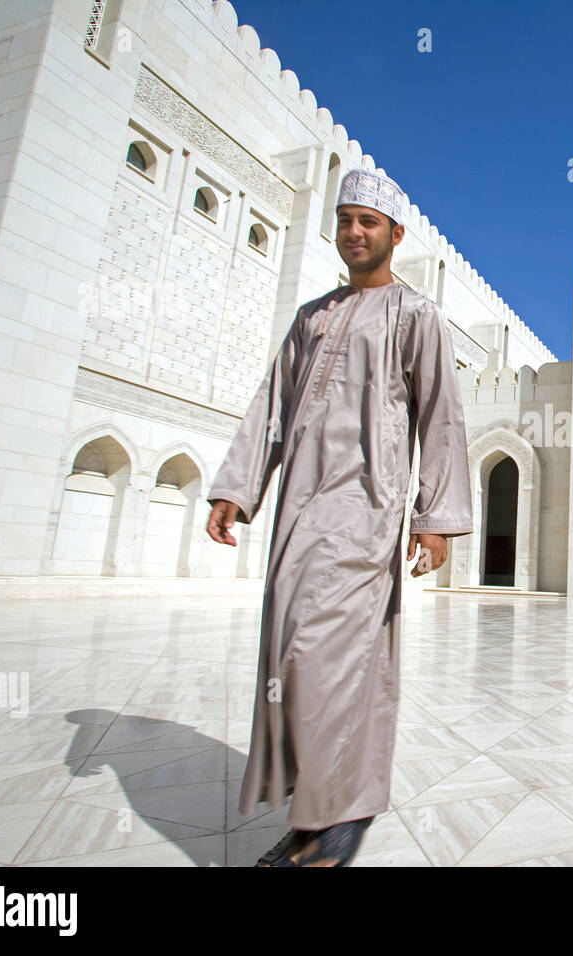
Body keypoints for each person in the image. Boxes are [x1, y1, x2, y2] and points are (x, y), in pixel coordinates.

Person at [205, 167, 473, 866]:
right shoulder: (313, 317)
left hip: (367, 511)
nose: (354, 232)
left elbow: (441, 416)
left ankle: (336, 817)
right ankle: (320, 808)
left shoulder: (416, 315)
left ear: (395, 235)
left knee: (332, 659)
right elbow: (272, 405)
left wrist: (435, 516)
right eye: (346, 219)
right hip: (298, 512)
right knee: (293, 655)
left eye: (369, 222)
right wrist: (239, 484)